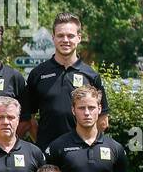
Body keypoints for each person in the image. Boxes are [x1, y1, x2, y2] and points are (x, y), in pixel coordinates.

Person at [23, 12, 109, 149]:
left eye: (70, 36)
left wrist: (87, 145)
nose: (65, 40)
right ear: (53, 38)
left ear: (79, 38)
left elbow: (102, 120)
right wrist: (43, 144)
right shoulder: (38, 74)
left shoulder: (91, 76)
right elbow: (28, 119)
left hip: (81, 154)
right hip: (48, 154)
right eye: (60, 35)